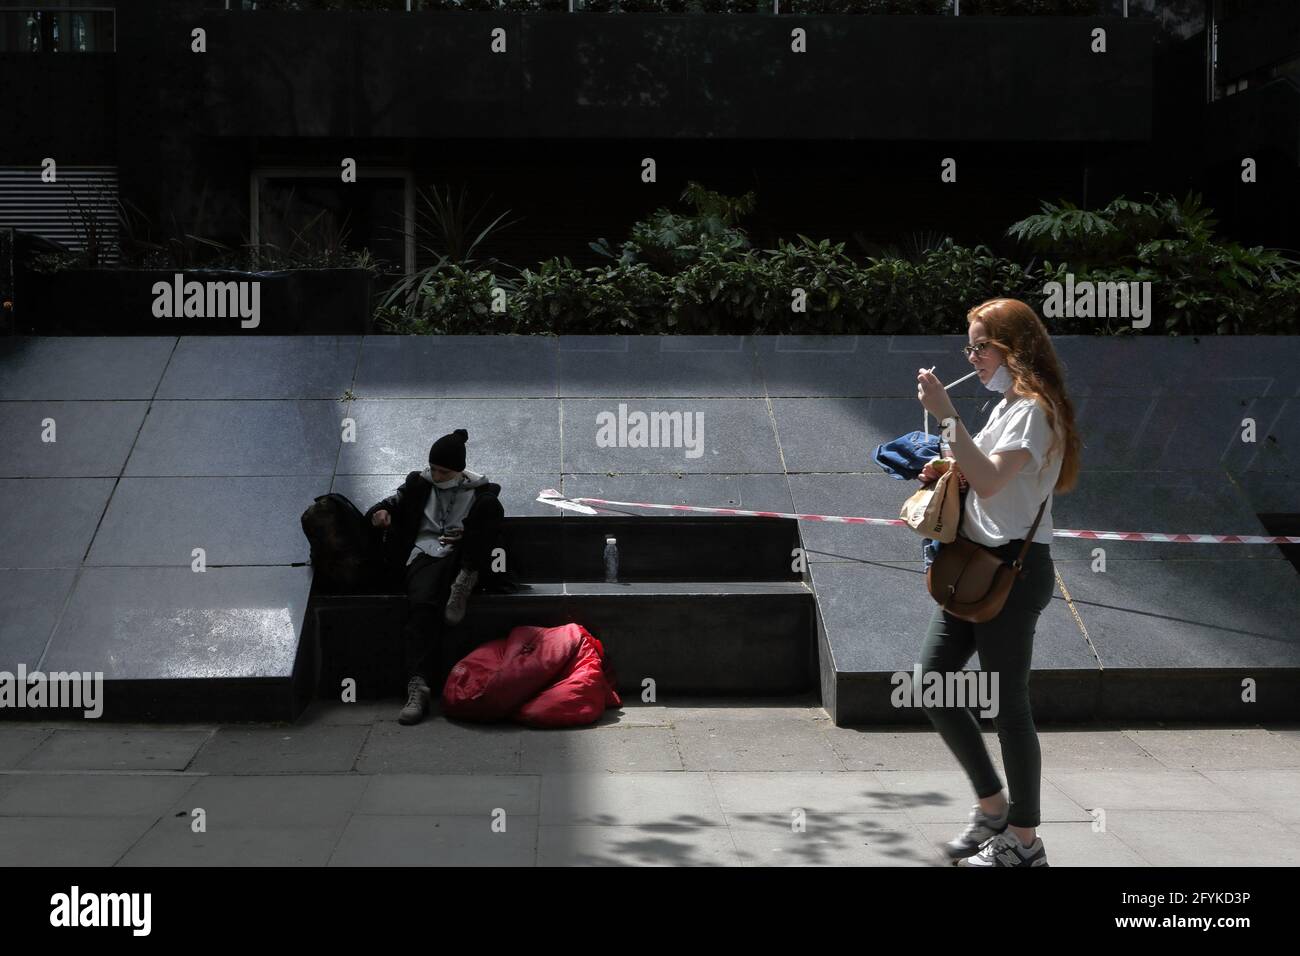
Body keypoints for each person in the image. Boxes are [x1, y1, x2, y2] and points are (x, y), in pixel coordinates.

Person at [914, 298, 1082, 867]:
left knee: (1009, 708)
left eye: (981, 345)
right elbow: (977, 475)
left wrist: (945, 414)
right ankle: (993, 809)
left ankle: (1025, 842)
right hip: (974, 563)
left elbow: (989, 483)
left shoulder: (1036, 409)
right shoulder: (1006, 407)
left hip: (1015, 569)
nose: (973, 356)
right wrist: (943, 467)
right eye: (969, 346)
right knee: (931, 682)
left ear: (1015, 348)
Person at [364, 428, 505, 726]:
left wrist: (467, 533)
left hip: (462, 556)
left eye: (444, 471)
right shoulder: (418, 483)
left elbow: (489, 525)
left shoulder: (480, 493)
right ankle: (418, 685)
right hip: (425, 553)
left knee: (488, 511)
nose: (437, 476)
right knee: (422, 604)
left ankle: (465, 581)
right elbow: (393, 501)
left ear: (458, 471)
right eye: (434, 469)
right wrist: (380, 512)